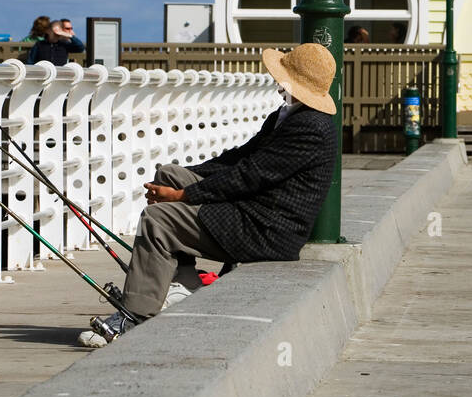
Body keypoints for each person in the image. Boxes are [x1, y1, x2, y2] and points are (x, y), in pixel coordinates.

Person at [85, 42, 338, 346]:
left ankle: (134, 316)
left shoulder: (310, 127)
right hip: (255, 210)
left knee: (158, 219)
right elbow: (240, 158)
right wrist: (185, 178)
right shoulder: (287, 115)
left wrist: (182, 196)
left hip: (266, 229)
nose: (276, 81)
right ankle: (183, 281)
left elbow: (250, 176)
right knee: (169, 172)